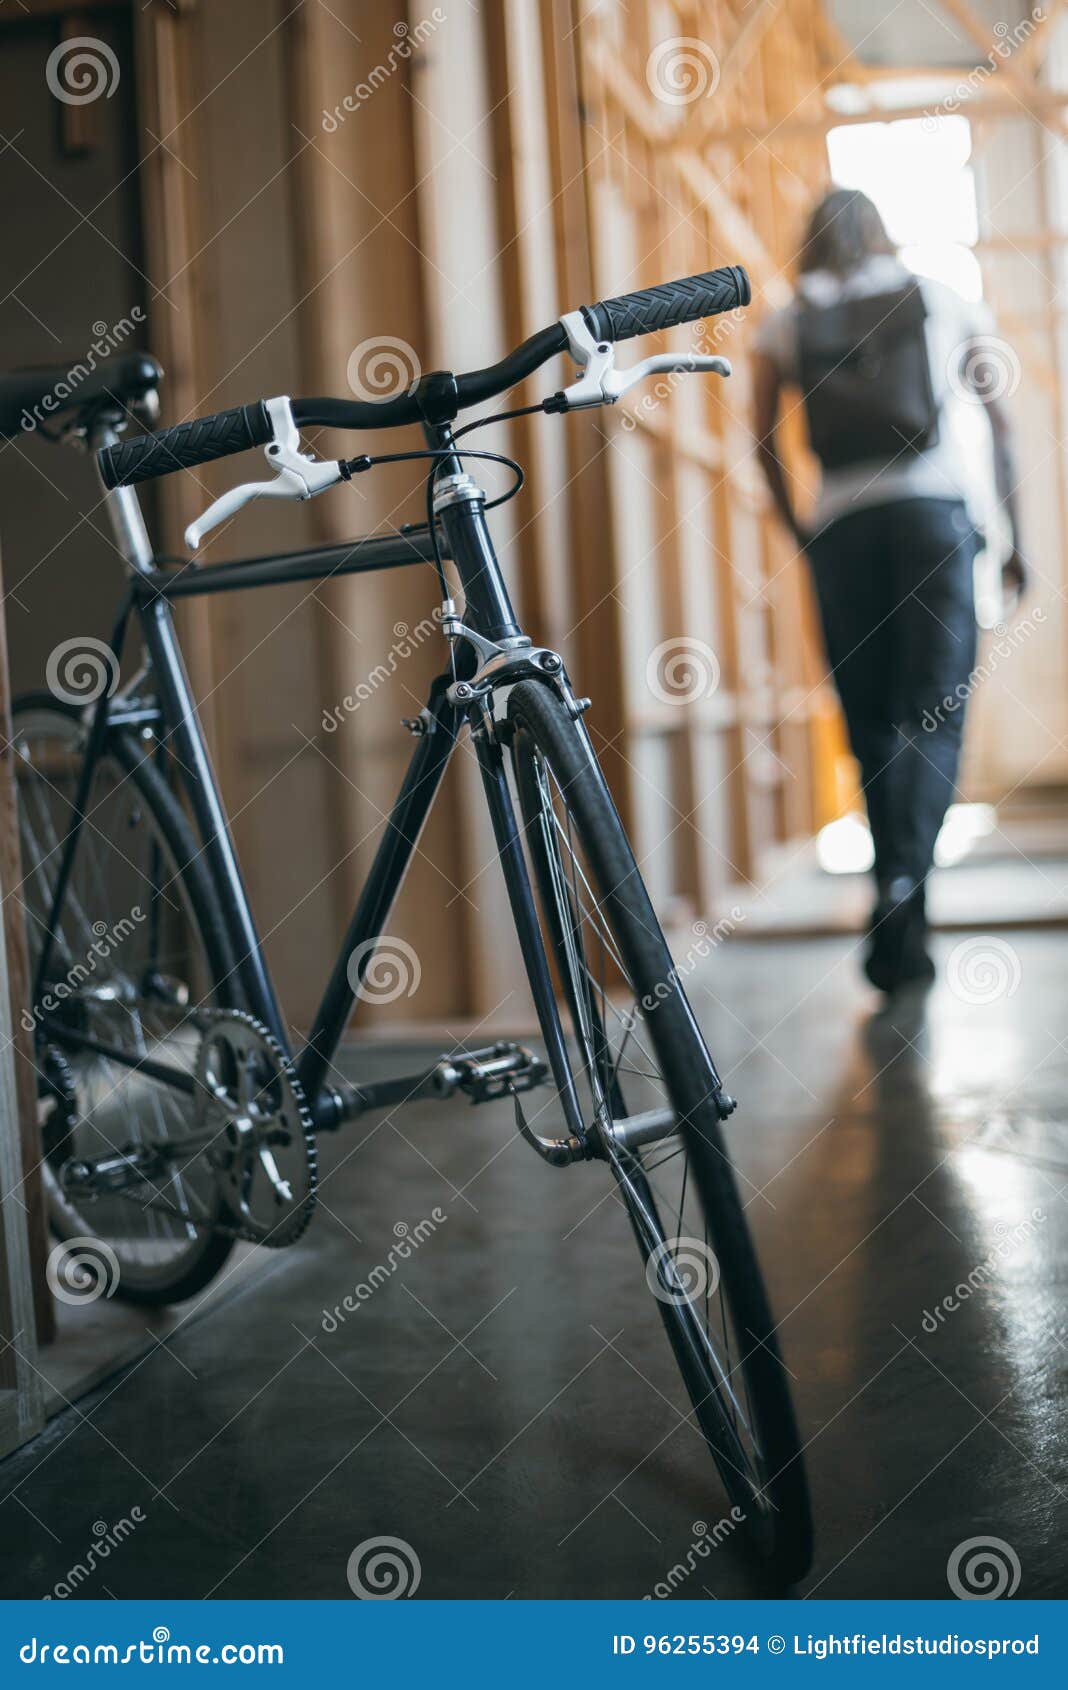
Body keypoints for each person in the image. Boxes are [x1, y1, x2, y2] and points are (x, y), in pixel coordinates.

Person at [752, 187, 1028, 994]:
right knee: (935, 717)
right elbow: (1001, 424)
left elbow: (760, 440)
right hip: (933, 521)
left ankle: (895, 889)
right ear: (882, 232)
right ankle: (907, 883)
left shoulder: (785, 320)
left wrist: (803, 534)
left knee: (871, 725)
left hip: (844, 532)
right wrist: (1017, 541)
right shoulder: (938, 295)